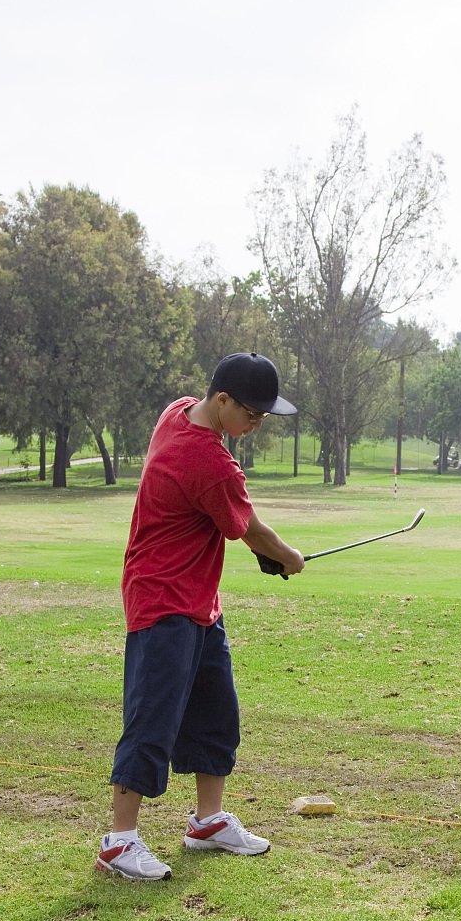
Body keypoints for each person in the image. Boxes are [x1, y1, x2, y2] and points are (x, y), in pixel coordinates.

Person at [98, 352, 305, 880]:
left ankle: (207, 822)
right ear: (222, 401)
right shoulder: (210, 462)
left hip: (198, 602)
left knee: (216, 710)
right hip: (161, 599)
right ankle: (119, 843)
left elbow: (219, 519)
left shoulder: (179, 410)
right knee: (152, 718)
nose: (256, 425)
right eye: (252, 414)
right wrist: (287, 556)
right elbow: (251, 529)